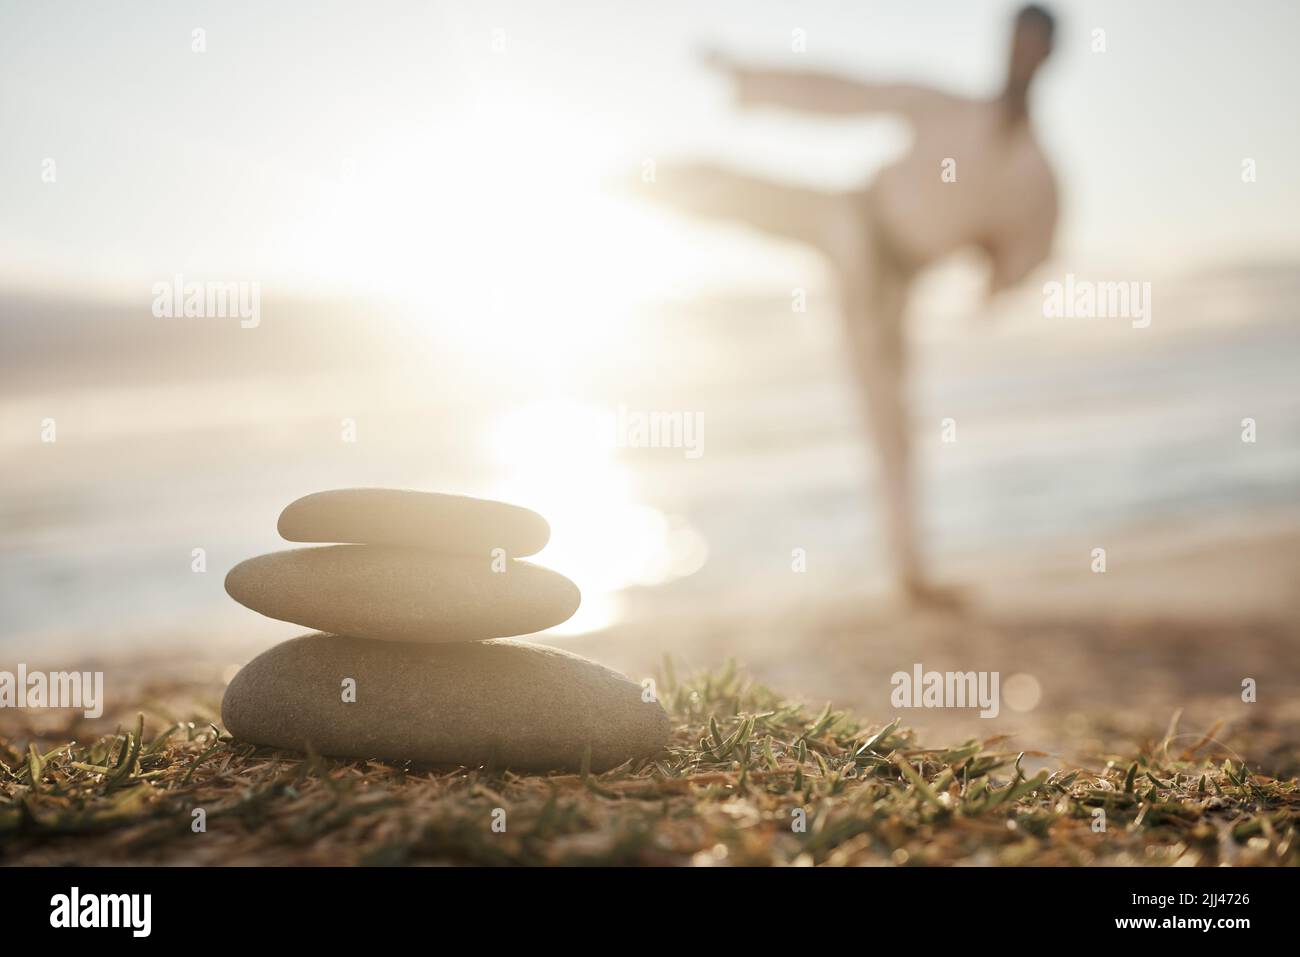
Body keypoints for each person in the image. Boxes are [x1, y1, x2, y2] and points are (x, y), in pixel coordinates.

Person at [648, 5, 1059, 607]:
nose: (1021, 54)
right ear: (1005, 45)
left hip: (889, 282)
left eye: (1034, 45)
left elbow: (1032, 252)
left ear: (1047, 56)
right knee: (736, 194)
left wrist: (997, 268)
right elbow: (846, 93)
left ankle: (911, 576)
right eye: (1016, 41)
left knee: (890, 420)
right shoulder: (946, 107)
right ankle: (622, 182)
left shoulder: (1036, 175)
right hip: (848, 215)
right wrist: (749, 80)